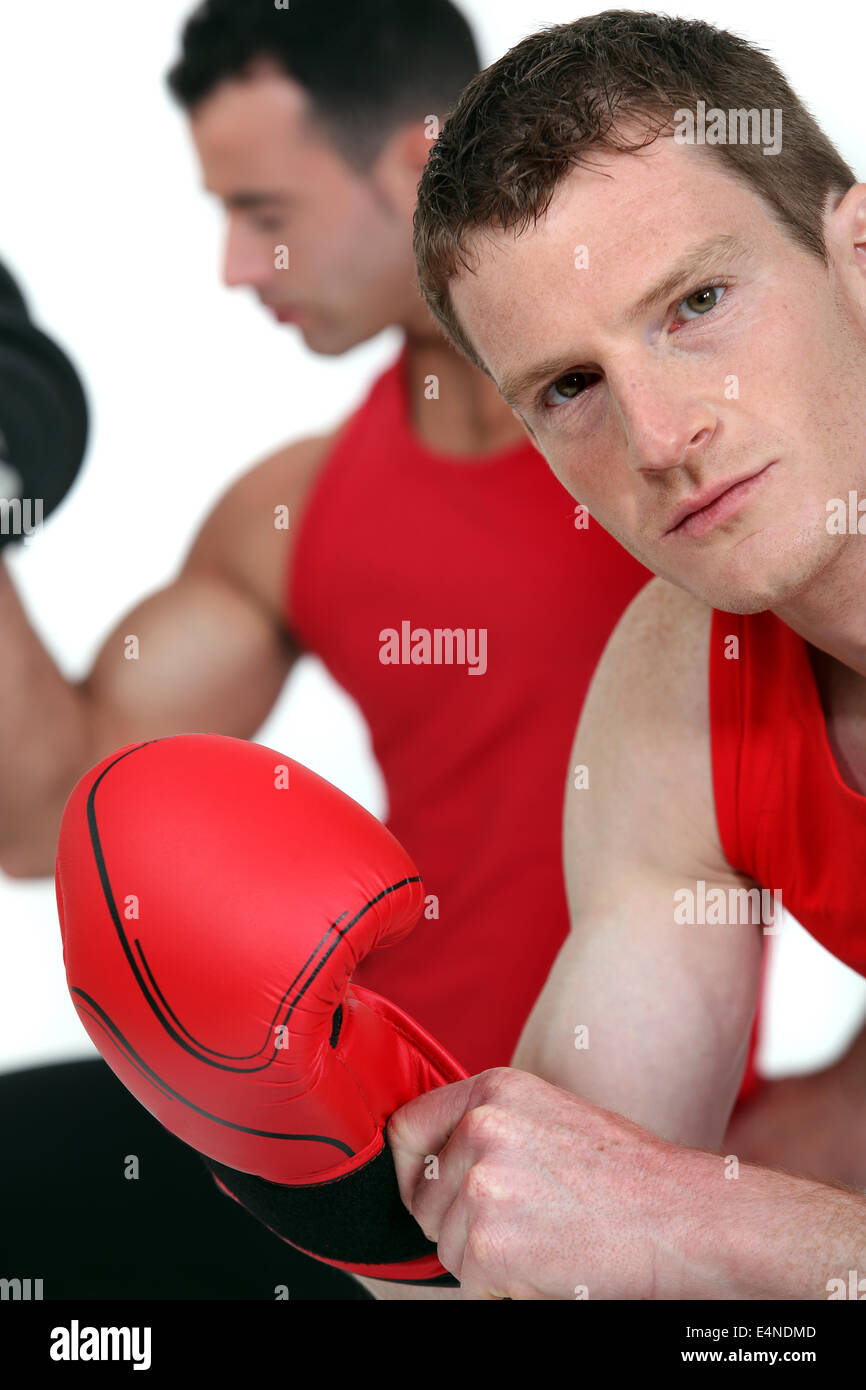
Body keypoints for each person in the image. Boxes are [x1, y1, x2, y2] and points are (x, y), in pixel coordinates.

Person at [0, 0, 654, 1300]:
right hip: (361, 1154)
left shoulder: (675, 459)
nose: (238, 266)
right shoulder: (298, 511)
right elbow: (43, 808)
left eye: (264, 209)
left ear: (416, 166)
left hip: (613, 1159)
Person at [388, 9, 866, 1299]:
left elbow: (645, 1213)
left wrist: (696, 1223)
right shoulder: (673, 699)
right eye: (569, 387)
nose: (657, 438)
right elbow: (559, 1233)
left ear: (858, 255)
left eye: (696, 303)